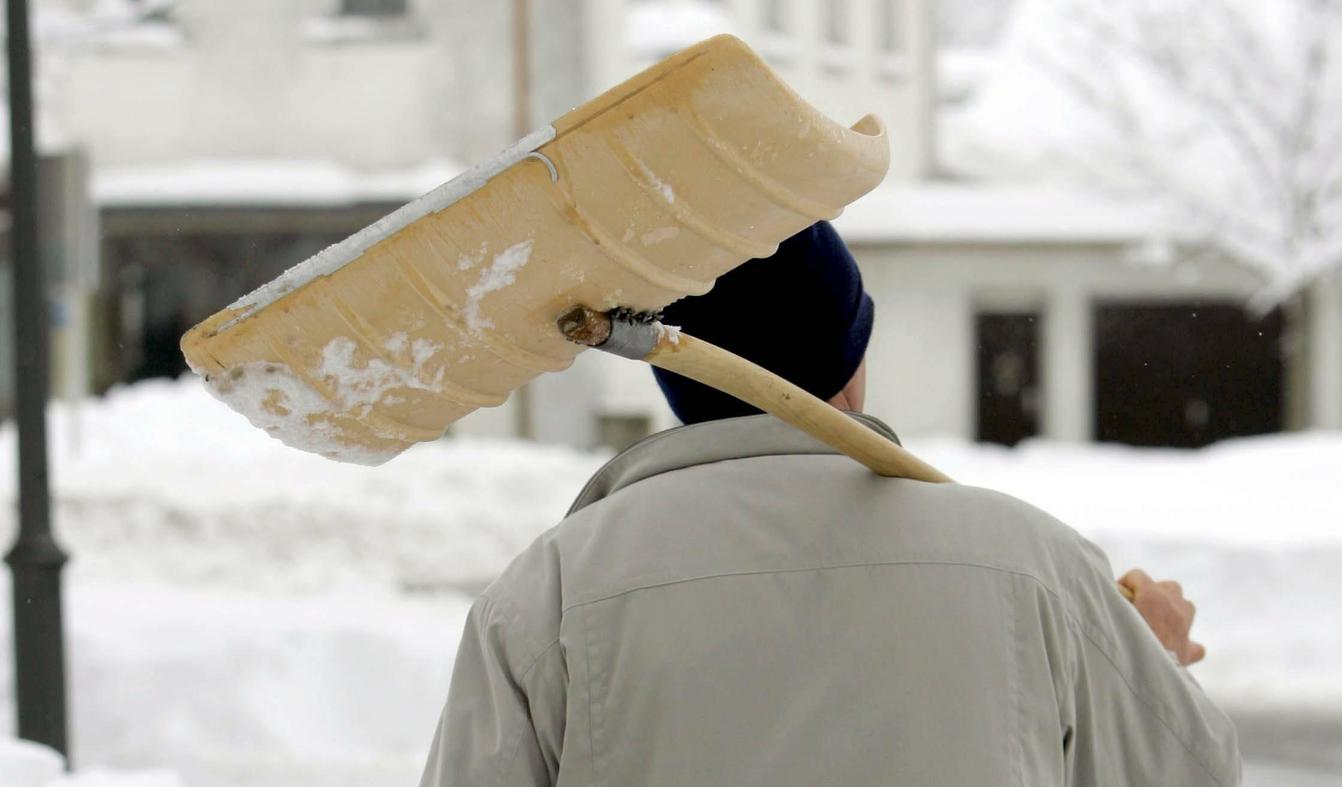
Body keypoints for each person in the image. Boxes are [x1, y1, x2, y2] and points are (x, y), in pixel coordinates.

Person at [420, 221, 1241, 786]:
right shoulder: (1031, 566)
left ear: (677, 384)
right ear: (852, 365)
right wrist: (1147, 657)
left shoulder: (550, 595)